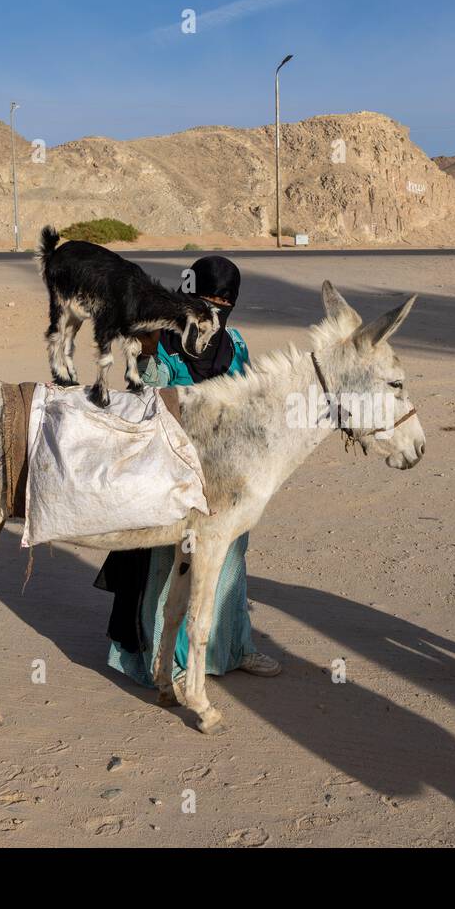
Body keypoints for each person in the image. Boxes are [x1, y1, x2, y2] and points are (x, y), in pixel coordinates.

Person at [94, 255, 281, 687]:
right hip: (170, 471)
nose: (215, 309)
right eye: (206, 299)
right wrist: (144, 346)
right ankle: (164, 662)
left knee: (229, 563)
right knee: (166, 568)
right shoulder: (160, 339)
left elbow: (247, 401)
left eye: (224, 300)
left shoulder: (235, 343)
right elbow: (144, 392)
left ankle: (231, 650)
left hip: (223, 474)